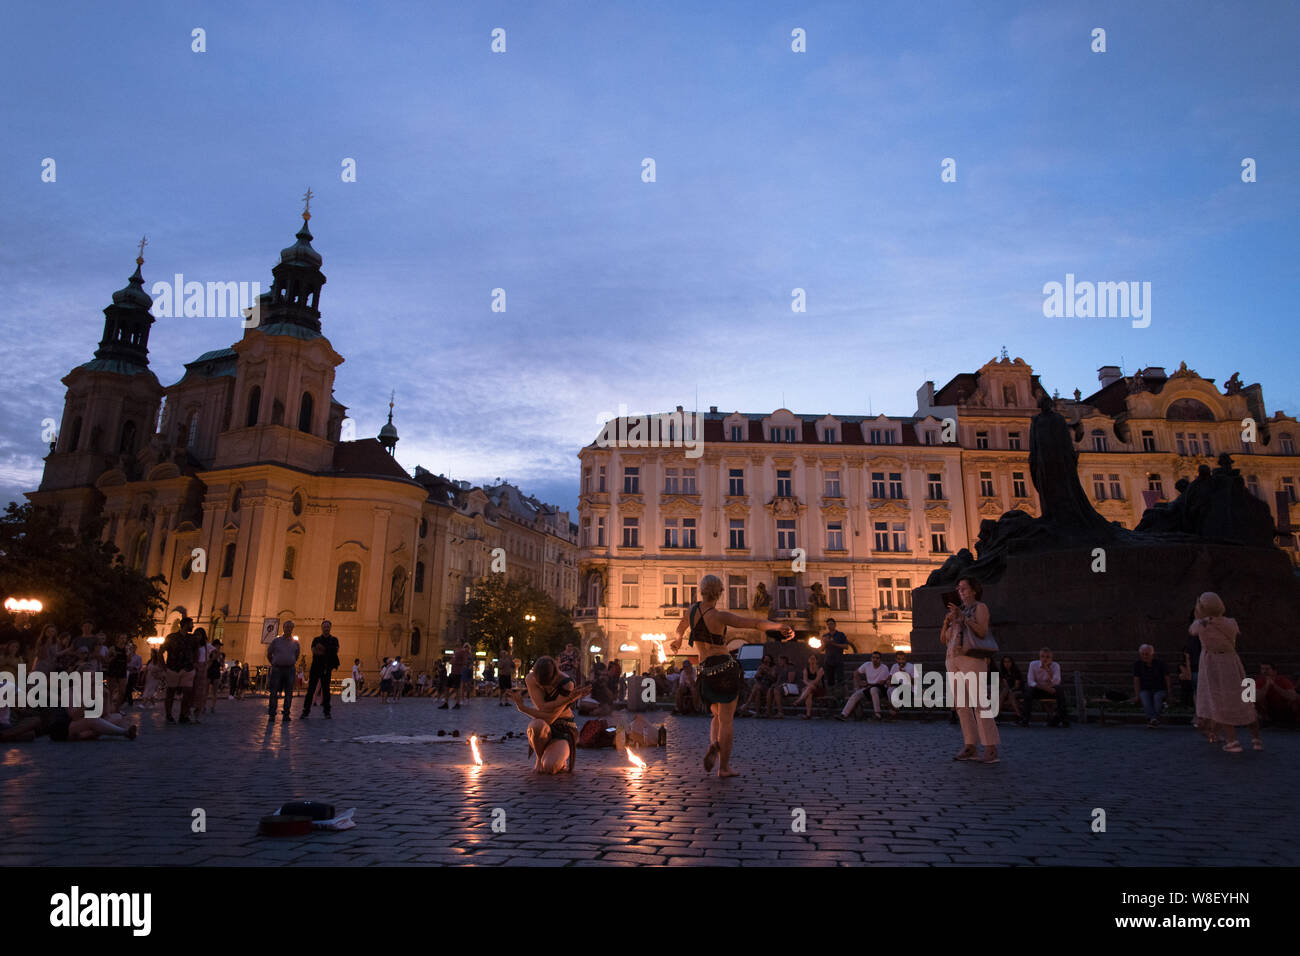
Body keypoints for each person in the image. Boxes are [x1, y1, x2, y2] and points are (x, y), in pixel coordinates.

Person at [670, 574, 794, 776]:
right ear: (719, 593)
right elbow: (753, 623)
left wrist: (676, 642)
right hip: (724, 670)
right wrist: (778, 626)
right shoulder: (719, 616)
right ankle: (724, 767)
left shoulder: (692, 610)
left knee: (716, 715)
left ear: (701, 591)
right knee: (726, 719)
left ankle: (713, 744)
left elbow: (680, 627)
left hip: (704, 672)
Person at [1190, 592, 1262, 752]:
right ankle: (1256, 740)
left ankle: (1232, 741)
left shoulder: (1202, 624)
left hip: (1213, 665)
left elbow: (1192, 630)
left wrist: (1202, 617)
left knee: (1219, 701)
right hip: (1232, 662)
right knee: (1245, 699)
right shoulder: (1231, 622)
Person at [941, 577, 1000, 764]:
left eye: (964, 588)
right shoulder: (957, 611)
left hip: (972, 658)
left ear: (974, 590)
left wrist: (963, 617)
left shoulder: (980, 608)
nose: (960, 591)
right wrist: (947, 622)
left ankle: (990, 747)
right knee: (962, 705)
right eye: (958, 588)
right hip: (953, 658)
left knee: (980, 703)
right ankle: (970, 745)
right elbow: (944, 639)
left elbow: (982, 632)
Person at [508, 656, 589, 774]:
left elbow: (551, 718)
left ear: (555, 676)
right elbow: (542, 707)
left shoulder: (567, 683)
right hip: (543, 725)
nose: (543, 688)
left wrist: (523, 708)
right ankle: (539, 758)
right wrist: (569, 699)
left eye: (547, 685)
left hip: (563, 728)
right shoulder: (531, 678)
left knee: (550, 767)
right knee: (537, 726)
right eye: (540, 685)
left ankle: (558, 755)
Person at [1021, 647, 1070, 728]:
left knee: (1059, 689)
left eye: (1047, 657)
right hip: (1038, 690)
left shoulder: (1055, 665)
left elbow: (1056, 682)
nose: (1045, 659)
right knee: (1028, 690)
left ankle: (1063, 719)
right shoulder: (1033, 664)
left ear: (1051, 658)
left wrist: (1048, 670)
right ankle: (1025, 719)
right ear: (1039, 657)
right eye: (1042, 656)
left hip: (1051, 691)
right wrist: (1045, 688)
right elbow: (1030, 681)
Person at [301, 620, 340, 718]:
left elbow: (334, 651)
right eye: (324, 627)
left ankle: (327, 712)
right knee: (310, 690)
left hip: (327, 668)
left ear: (330, 628)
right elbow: (315, 651)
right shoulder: (316, 639)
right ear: (322, 628)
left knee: (326, 690)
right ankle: (306, 711)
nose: (326, 628)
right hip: (315, 667)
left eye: (328, 627)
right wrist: (327, 650)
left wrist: (322, 649)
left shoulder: (334, 640)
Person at [163, 617, 198, 724]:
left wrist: (194, 665)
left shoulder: (192, 639)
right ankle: (169, 715)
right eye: (191, 624)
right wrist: (163, 666)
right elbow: (161, 651)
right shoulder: (171, 637)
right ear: (186, 624)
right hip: (173, 668)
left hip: (188, 669)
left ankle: (183, 715)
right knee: (170, 692)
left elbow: (196, 652)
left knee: (187, 693)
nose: (193, 626)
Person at [838, 651, 891, 721]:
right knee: (856, 695)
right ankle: (844, 714)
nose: (875, 659)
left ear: (880, 660)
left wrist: (868, 684)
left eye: (877, 658)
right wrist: (859, 683)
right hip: (868, 687)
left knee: (873, 689)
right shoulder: (867, 665)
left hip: (880, 689)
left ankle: (877, 714)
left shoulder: (884, 668)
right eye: (873, 658)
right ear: (871, 658)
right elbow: (856, 673)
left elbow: (882, 682)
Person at [266, 620, 300, 721]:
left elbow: (297, 655)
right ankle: (272, 714)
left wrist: (290, 661)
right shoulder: (276, 641)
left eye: (290, 627)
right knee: (273, 692)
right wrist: (274, 662)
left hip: (290, 669)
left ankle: (286, 714)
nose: (288, 629)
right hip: (277, 669)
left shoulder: (295, 643)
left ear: (292, 629)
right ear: (283, 628)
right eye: (286, 627)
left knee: (289, 693)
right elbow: (269, 653)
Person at [1131, 644, 1170, 727]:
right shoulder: (1137, 665)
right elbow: (1136, 680)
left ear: (1152, 654)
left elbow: (1167, 678)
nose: (1145, 656)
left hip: (1160, 688)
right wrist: (1137, 695)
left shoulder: (1160, 664)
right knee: (1144, 698)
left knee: (1157, 697)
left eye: (1147, 654)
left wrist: (1169, 693)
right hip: (1145, 689)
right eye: (1143, 654)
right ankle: (1154, 719)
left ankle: (1152, 719)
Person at [819, 618, 850, 694]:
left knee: (840, 680)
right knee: (830, 681)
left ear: (835, 625)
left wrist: (834, 644)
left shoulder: (841, 635)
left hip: (838, 660)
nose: (830, 626)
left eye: (831, 624)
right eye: (828, 624)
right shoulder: (825, 636)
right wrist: (826, 643)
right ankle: (831, 697)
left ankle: (842, 696)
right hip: (828, 661)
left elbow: (846, 646)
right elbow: (821, 649)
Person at [792, 653, 825, 719]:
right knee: (809, 694)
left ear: (817, 660)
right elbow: (804, 680)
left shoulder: (820, 669)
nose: (812, 660)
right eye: (811, 659)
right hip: (810, 689)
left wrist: (809, 685)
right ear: (808, 660)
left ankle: (799, 700)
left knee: (809, 688)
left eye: (814, 659)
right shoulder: (806, 669)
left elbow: (817, 680)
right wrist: (809, 685)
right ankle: (808, 715)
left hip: (819, 689)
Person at [889, 650, 917, 718]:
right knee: (889, 690)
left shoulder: (911, 666)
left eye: (903, 659)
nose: (901, 661)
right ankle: (895, 708)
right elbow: (890, 678)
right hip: (898, 686)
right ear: (896, 659)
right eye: (899, 659)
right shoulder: (894, 666)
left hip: (909, 689)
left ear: (906, 659)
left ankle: (894, 710)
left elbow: (915, 682)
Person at [997, 655, 1024, 723]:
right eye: (1005, 662)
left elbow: (1017, 686)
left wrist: (1009, 690)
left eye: (1008, 661)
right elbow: (1004, 685)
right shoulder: (1002, 672)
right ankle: (1019, 716)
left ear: (1012, 662)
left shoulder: (1016, 672)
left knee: (1009, 693)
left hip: (1018, 690)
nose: (1007, 663)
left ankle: (997, 714)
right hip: (1007, 692)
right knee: (1006, 693)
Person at [123, 641, 143, 709]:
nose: (132, 649)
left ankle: (128, 700)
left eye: (134, 648)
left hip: (133, 673)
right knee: (126, 686)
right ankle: (127, 700)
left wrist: (134, 667)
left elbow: (140, 665)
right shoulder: (127, 656)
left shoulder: (138, 657)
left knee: (130, 687)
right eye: (131, 648)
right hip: (126, 672)